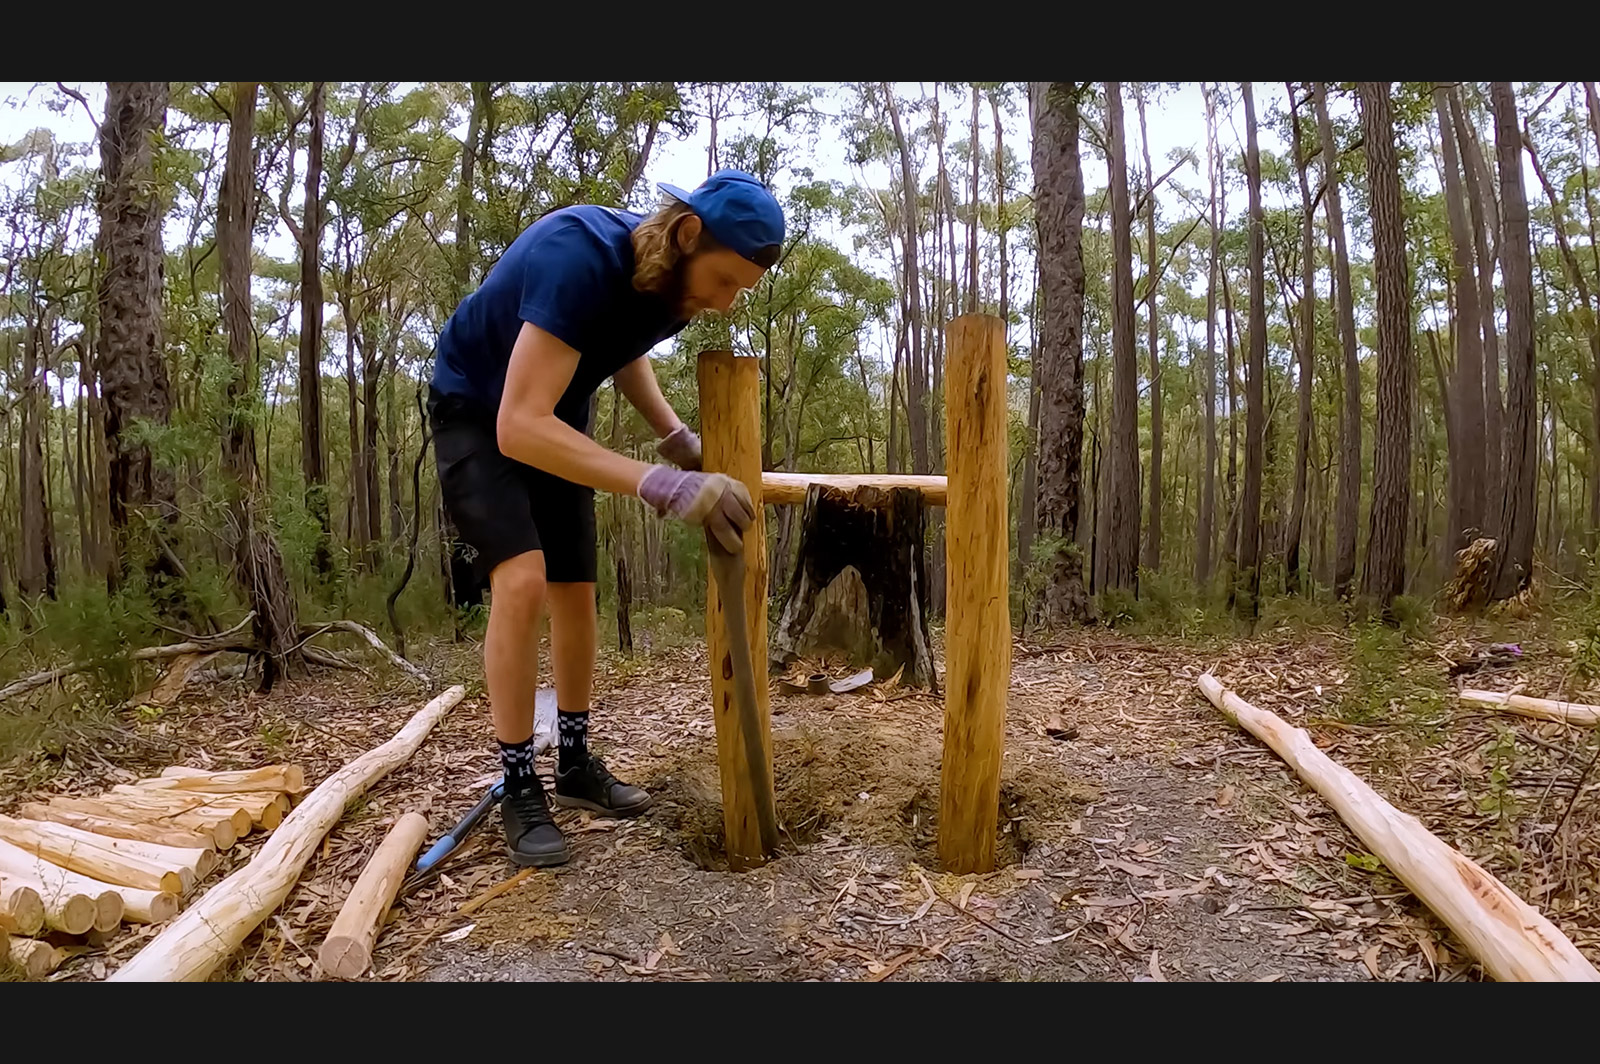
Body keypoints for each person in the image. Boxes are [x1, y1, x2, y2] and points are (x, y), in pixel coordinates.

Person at [428, 169, 785, 867]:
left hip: (552, 414)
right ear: (687, 236)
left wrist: (673, 436)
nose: (728, 303)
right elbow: (517, 426)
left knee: (576, 591)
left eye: (743, 289)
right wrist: (660, 485)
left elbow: (624, 349)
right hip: (479, 410)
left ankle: (576, 761)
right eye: (725, 282)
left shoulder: (674, 282)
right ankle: (518, 782)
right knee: (525, 581)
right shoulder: (579, 255)